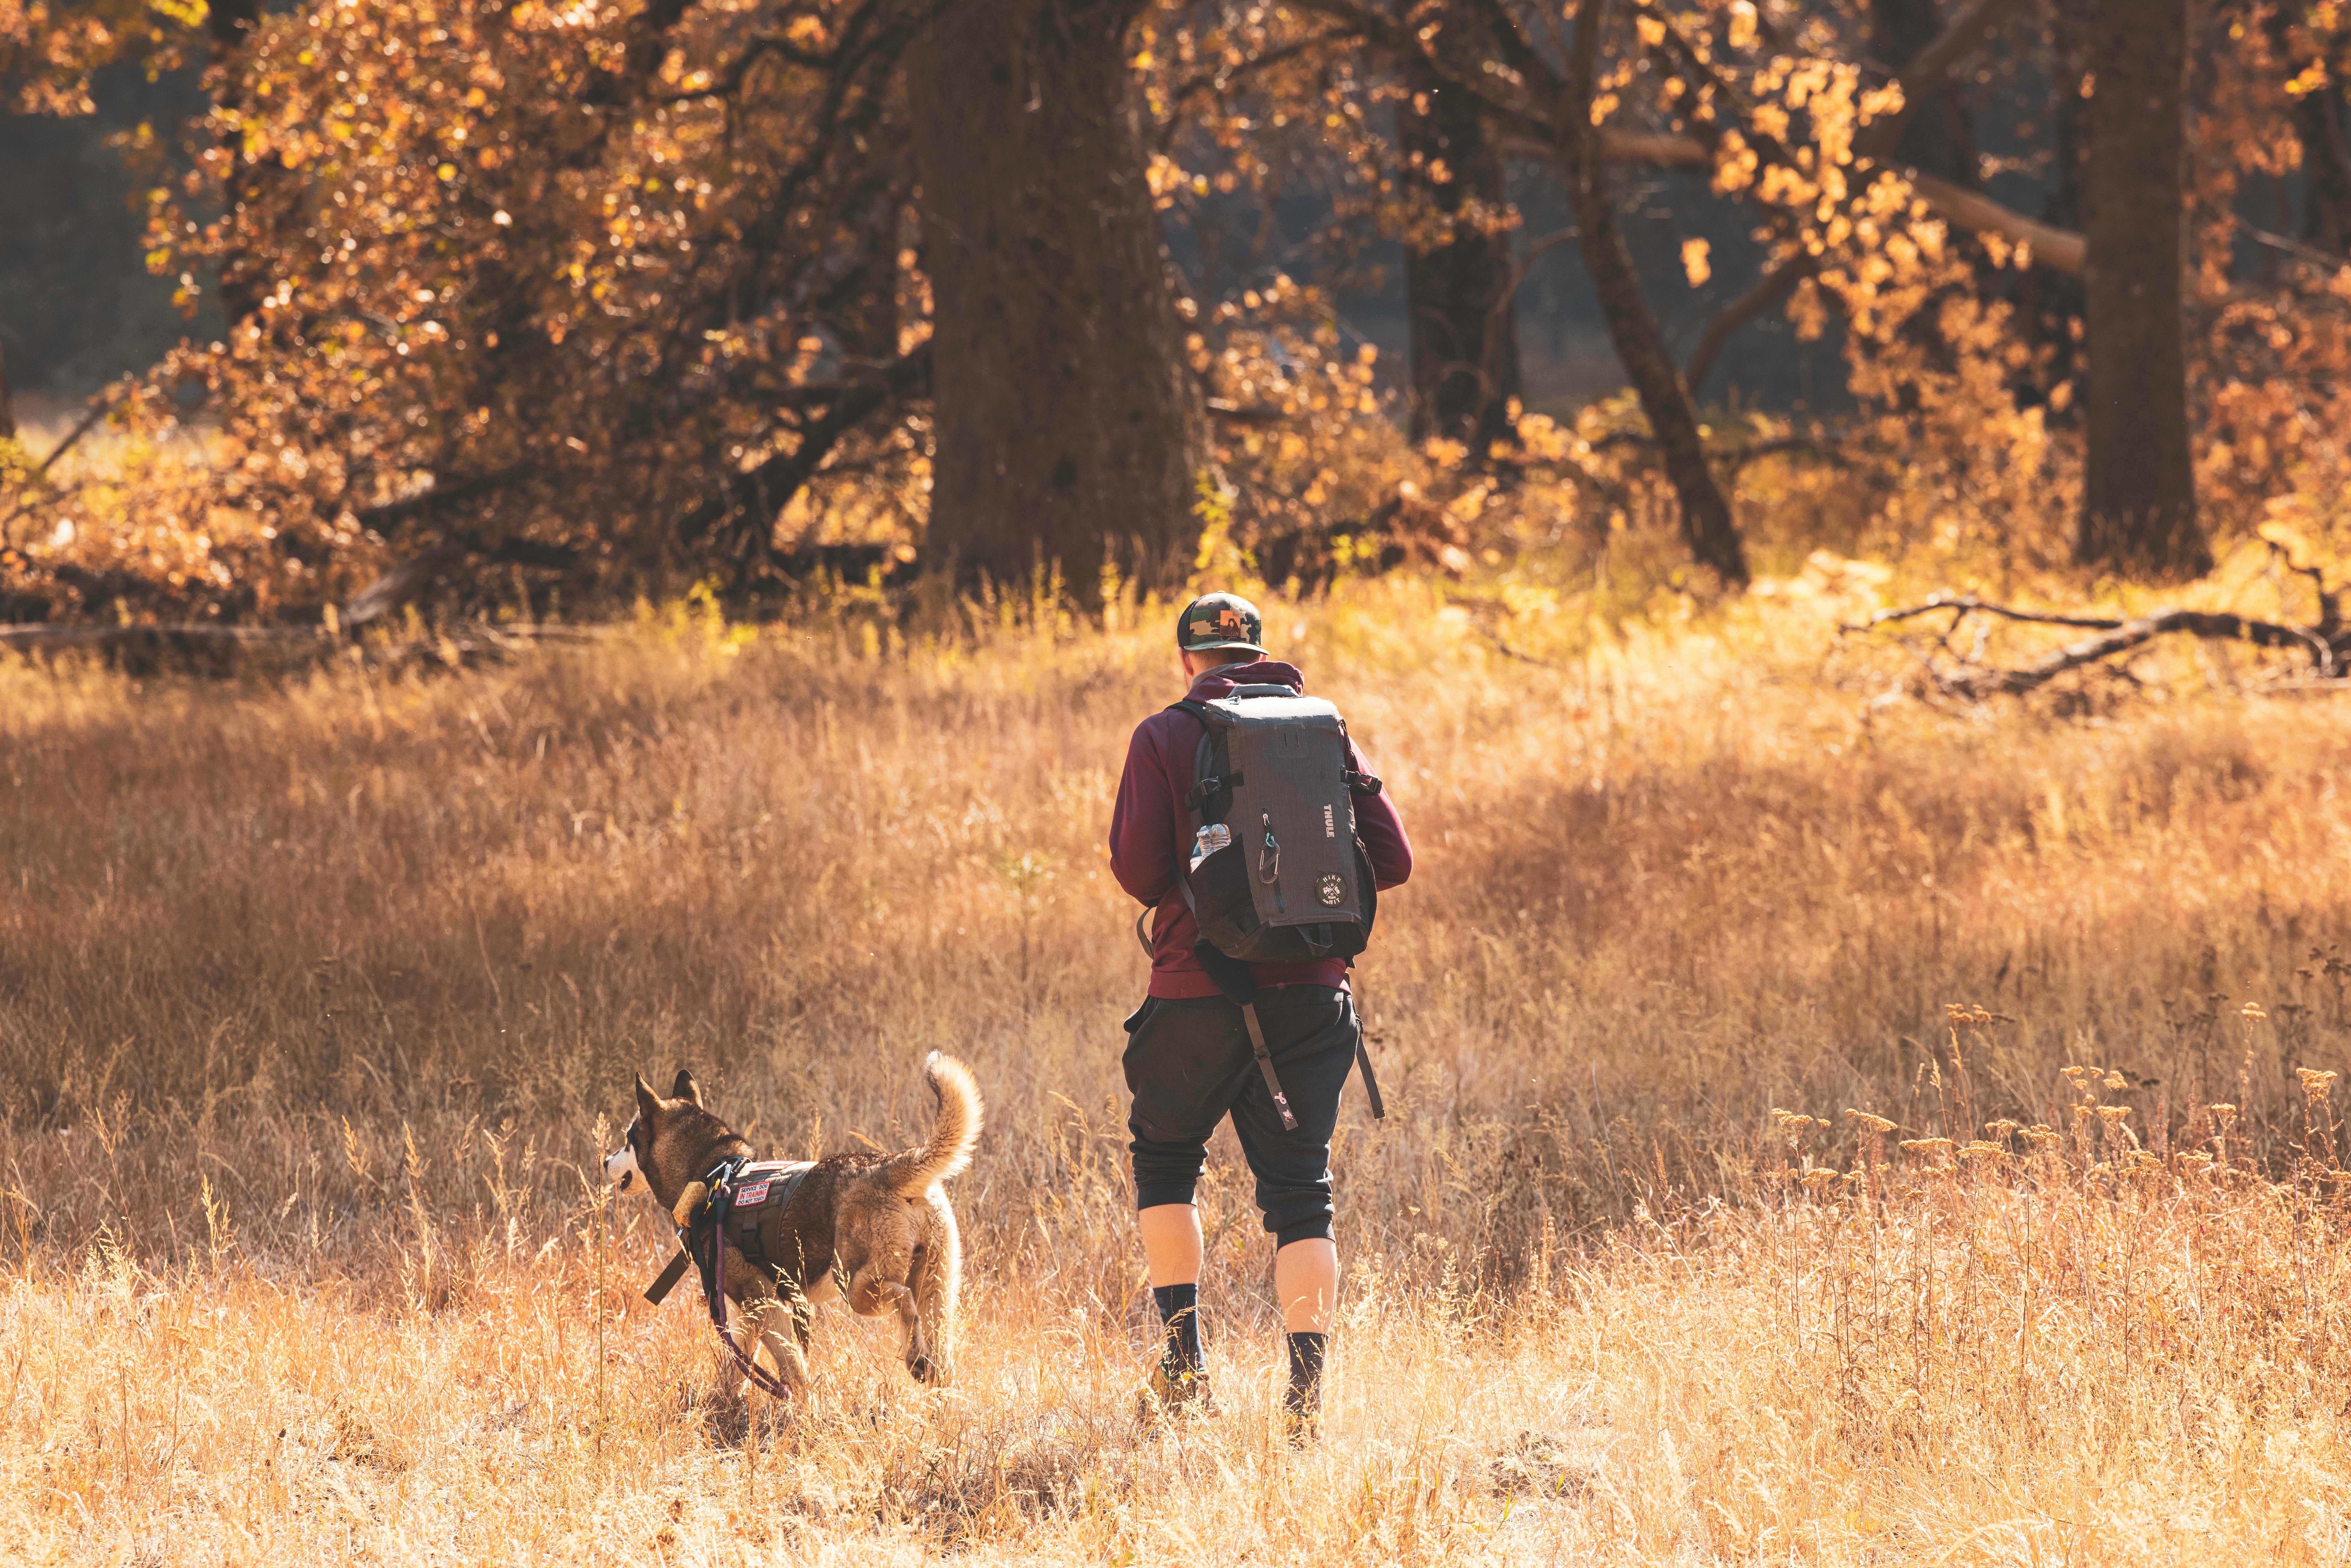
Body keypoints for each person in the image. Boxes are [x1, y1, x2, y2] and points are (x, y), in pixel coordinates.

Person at [1108, 590, 1413, 1439]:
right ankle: (1305, 1404)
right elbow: (1393, 859)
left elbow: (1138, 872)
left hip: (1193, 990)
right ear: (1262, 654)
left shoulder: (1165, 734)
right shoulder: (1322, 728)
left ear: (1187, 660)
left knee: (1167, 1163)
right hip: (1315, 994)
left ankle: (1184, 1368)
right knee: (1302, 1197)